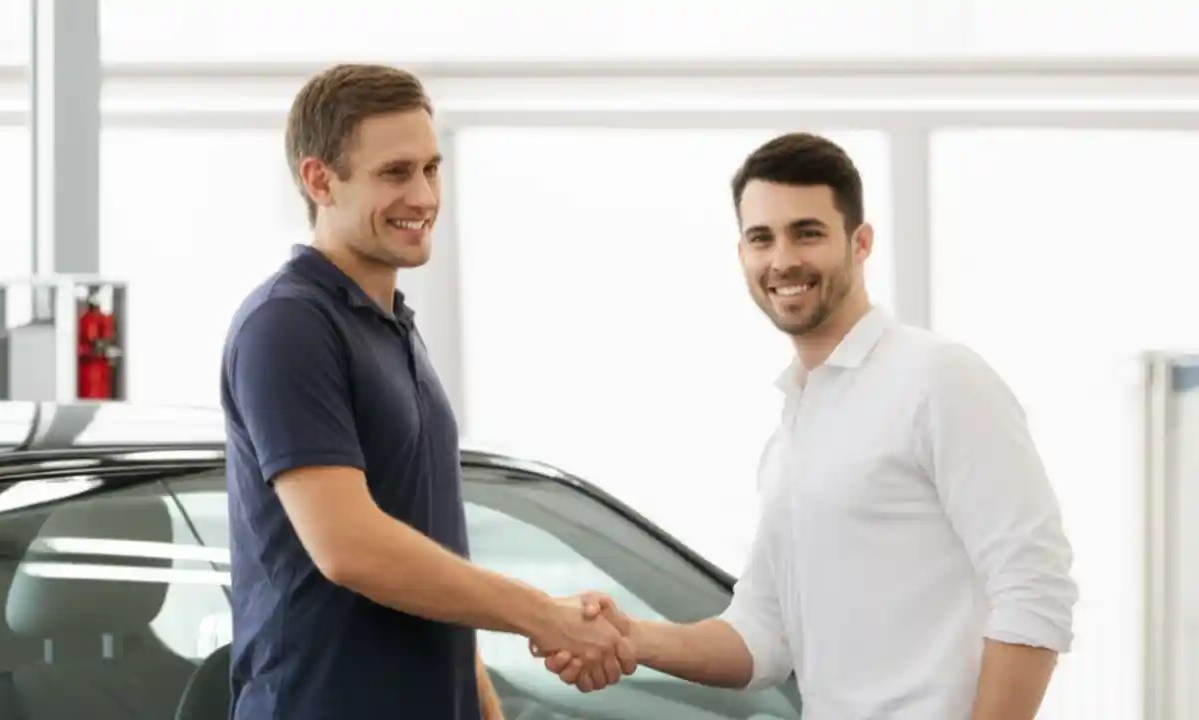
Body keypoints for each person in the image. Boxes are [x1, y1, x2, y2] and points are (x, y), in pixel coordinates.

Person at [541, 132, 1079, 719]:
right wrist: (630, 638)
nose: (783, 260)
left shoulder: (938, 377)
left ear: (861, 241)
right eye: (761, 238)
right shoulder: (794, 427)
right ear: (741, 253)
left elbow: (1034, 585)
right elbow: (763, 636)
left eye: (808, 233)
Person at [220, 63, 634, 720]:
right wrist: (542, 616)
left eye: (431, 169)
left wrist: (483, 707)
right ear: (319, 179)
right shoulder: (289, 325)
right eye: (395, 173)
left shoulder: (392, 328)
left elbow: (430, 550)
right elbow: (349, 546)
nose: (424, 196)